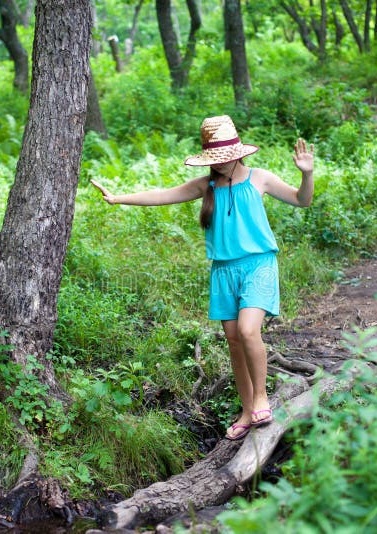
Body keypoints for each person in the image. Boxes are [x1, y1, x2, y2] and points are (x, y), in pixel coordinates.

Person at [91, 115, 314, 441]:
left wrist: (307, 174)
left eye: (224, 158)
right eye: (215, 160)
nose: (220, 165)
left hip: (258, 265)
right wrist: (118, 198)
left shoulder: (258, 178)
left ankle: (262, 399)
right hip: (223, 271)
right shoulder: (206, 186)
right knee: (234, 342)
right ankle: (246, 408)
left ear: (239, 153)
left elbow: (301, 199)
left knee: (249, 330)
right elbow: (162, 195)